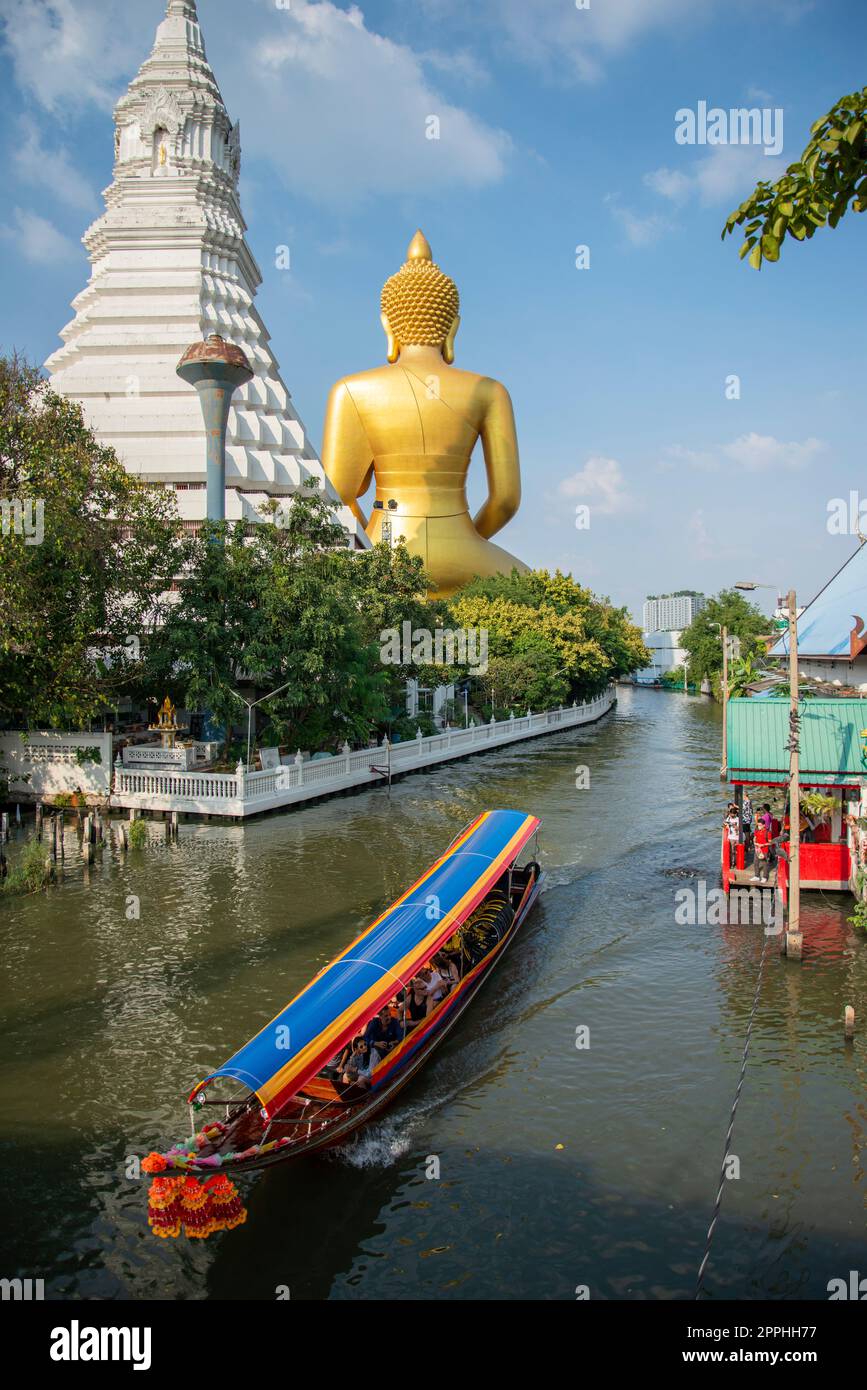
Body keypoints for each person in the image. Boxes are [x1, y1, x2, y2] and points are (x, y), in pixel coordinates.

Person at [725, 804, 740, 869]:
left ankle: (738, 862)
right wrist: (726, 824)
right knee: (732, 851)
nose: (731, 815)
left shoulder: (738, 819)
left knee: (738, 851)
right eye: (730, 814)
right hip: (731, 837)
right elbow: (724, 825)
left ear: (735, 814)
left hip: (737, 837)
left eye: (732, 814)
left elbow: (739, 828)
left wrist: (734, 826)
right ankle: (732, 863)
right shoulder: (728, 818)